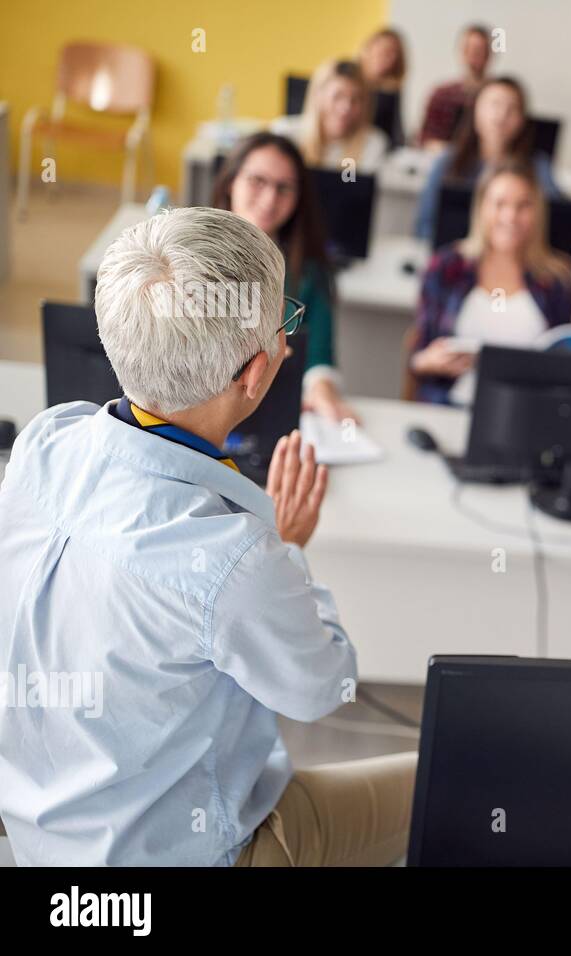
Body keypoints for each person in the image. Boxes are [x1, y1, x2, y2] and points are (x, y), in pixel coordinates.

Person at [0, 207, 416, 866]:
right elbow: (322, 690)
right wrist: (288, 550)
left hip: (36, 837)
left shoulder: (45, 440)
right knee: (440, 784)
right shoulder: (232, 557)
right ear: (254, 375)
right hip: (181, 859)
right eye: (283, 323)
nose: (286, 337)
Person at [212, 131, 356, 422]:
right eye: (257, 181)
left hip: (273, 411)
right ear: (231, 182)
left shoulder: (310, 271)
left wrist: (322, 388)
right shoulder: (187, 255)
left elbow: (319, 356)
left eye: (284, 188)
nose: (269, 199)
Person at [408, 161, 571, 405]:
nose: (510, 216)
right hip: (450, 404)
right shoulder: (445, 268)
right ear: (482, 208)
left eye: (523, 206)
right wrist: (430, 361)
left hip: (526, 411)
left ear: (538, 212)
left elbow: (564, 364)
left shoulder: (557, 280)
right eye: (499, 204)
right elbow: (416, 360)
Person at [414, 76, 562, 244]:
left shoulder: (537, 167)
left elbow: (554, 224)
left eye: (512, 108)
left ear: (522, 120)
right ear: (476, 111)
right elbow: (425, 225)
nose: (502, 115)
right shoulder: (447, 161)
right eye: (494, 104)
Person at [271, 59, 389, 172]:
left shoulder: (373, 143)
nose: (346, 108)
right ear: (318, 95)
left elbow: (354, 186)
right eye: (338, 97)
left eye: (356, 99)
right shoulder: (284, 133)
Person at [418, 22, 493, 149]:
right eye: (469, 49)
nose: (474, 56)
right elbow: (426, 139)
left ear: (489, 54)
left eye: (480, 50)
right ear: (462, 52)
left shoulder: (499, 96)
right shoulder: (442, 94)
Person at [358, 26, 407, 146]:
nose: (386, 57)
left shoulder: (390, 92)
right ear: (368, 50)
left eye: (392, 53)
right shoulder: (347, 81)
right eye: (381, 51)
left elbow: (394, 135)